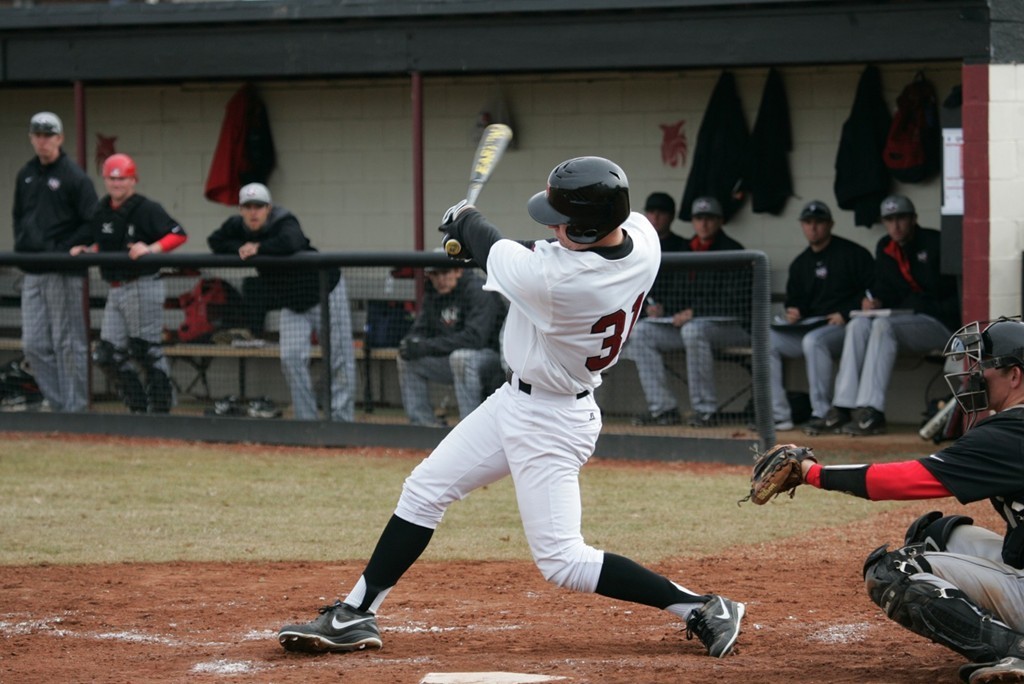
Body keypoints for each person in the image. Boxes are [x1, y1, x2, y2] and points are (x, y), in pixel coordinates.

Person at [277, 156, 745, 658]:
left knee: (563, 561)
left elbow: (493, 243)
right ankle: (356, 613)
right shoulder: (641, 239)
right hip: (514, 403)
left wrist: (463, 219)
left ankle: (701, 606)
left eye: (562, 221)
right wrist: (478, 247)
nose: (551, 227)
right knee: (424, 490)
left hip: (553, 420)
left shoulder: (557, 283)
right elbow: (514, 253)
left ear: (587, 229)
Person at [787, 316, 1024, 684]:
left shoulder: (1010, 433)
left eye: (985, 367)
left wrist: (812, 473)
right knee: (935, 534)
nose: (974, 376)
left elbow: (905, 480)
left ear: (1015, 376)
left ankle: (1016, 653)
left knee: (893, 572)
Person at [808, 194, 960, 436]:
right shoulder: (884, 247)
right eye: (889, 220)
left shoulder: (934, 242)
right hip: (905, 320)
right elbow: (886, 289)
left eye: (900, 218)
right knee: (858, 324)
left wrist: (914, 303)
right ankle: (844, 405)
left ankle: (872, 410)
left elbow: (953, 294)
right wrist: (875, 300)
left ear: (913, 219)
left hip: (941, 323)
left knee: (882, 326)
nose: (895, 225)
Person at [207, 183, 356, 421]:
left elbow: (292, 241)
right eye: (248, 207)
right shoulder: (236, 226)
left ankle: (342, 420)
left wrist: (259, 248)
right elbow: (214, 241)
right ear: (240, 209)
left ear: (269, 208)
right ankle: (306, 420)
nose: (253, 212)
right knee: (291, 357)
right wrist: (240, 247)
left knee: (339, 357)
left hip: (326, 291)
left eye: (259, 206)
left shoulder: (283, 220)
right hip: (292, 302)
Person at [70, 153, 187, 413]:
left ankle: (161, 408)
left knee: (145, 350)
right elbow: (106, 242)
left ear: (133, 180)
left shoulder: (146, 208)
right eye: (112, 179)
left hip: (142, 284)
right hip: (116, 288)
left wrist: (151, 248)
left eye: (122, 179)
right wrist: (90, 250)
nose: (116, 184)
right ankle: (138, 406)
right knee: (106, 354)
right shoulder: (100, 210)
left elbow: (179, 234)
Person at [622, 196, 749, 427]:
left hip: (730, 327)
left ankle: (705, 411)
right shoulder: (686, 248)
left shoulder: (732, 249)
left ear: (720, 221)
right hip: (691, 325)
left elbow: (735, 301)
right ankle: (663, 409)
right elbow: (677, 293)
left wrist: (695, 312)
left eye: (709, 218)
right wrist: (664, 308)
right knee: (641, 332)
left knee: (693, 330)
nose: (704, 224)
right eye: (699, 218)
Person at [12, 111, 98, 412]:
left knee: (67, 342)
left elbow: (92, 221)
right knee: (33, 344)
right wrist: (22, 244)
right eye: (37, 135)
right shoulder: (25, 174)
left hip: (63, 271)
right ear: (31, 138)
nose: (42, 141)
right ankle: (58, 403)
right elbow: (18, 215)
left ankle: (75, 410)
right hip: (32, 270)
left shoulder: (74, 177)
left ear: (59, 138)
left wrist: (66, 248)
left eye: (48, 135)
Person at [770, 200, 874, 431]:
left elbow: (871, 292)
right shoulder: (800, 263)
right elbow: (795, 299)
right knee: (768, 340)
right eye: (808, 222)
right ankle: (779, 414)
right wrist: (793, 311)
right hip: (811, 327)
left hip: (845, 327)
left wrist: (846, 313)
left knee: (814, 341)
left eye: (819, 222)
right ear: (802, 225)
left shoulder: (852, 254)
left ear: (830, 224)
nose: (813, 227)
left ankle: (823, 412)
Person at [397, 259, 505, 427]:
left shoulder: (478, 289)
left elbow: (475, 338)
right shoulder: (433, 293)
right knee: (407, 360)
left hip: (490, 360)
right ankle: (422, 424)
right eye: (434, 274)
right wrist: (411, 343)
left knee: (460, 358)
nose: (440, 279)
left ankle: (470, 428)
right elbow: (420, 328)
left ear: (458, 271)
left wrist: (427, 347)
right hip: (451, 357)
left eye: (445, 272)